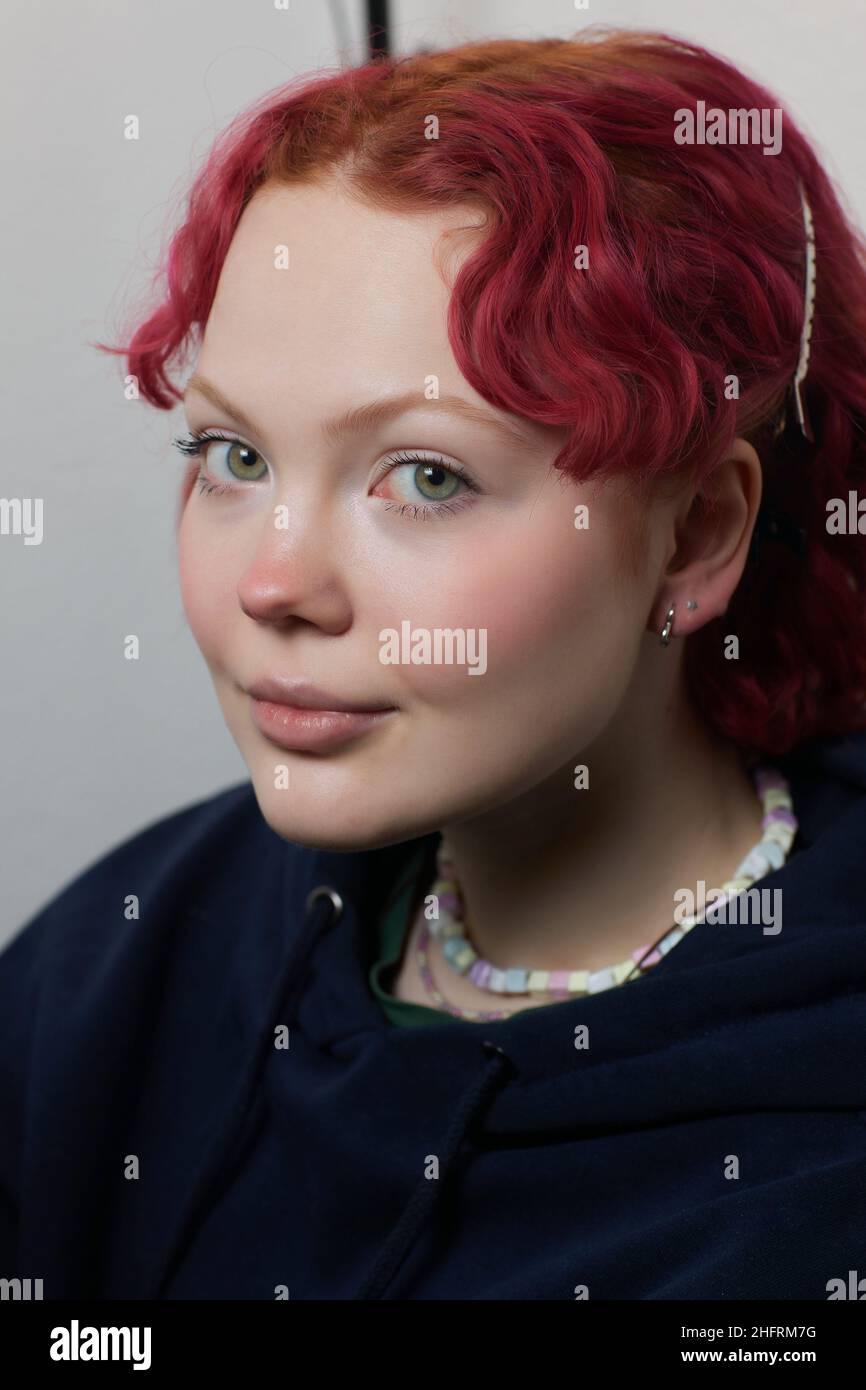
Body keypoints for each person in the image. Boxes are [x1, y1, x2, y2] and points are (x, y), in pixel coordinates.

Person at [3, 28, 866, 1301]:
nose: (272, 584)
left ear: (696, 534)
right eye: (232, 457)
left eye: (425, 475)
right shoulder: (131, 950)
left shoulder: (809, 1201)